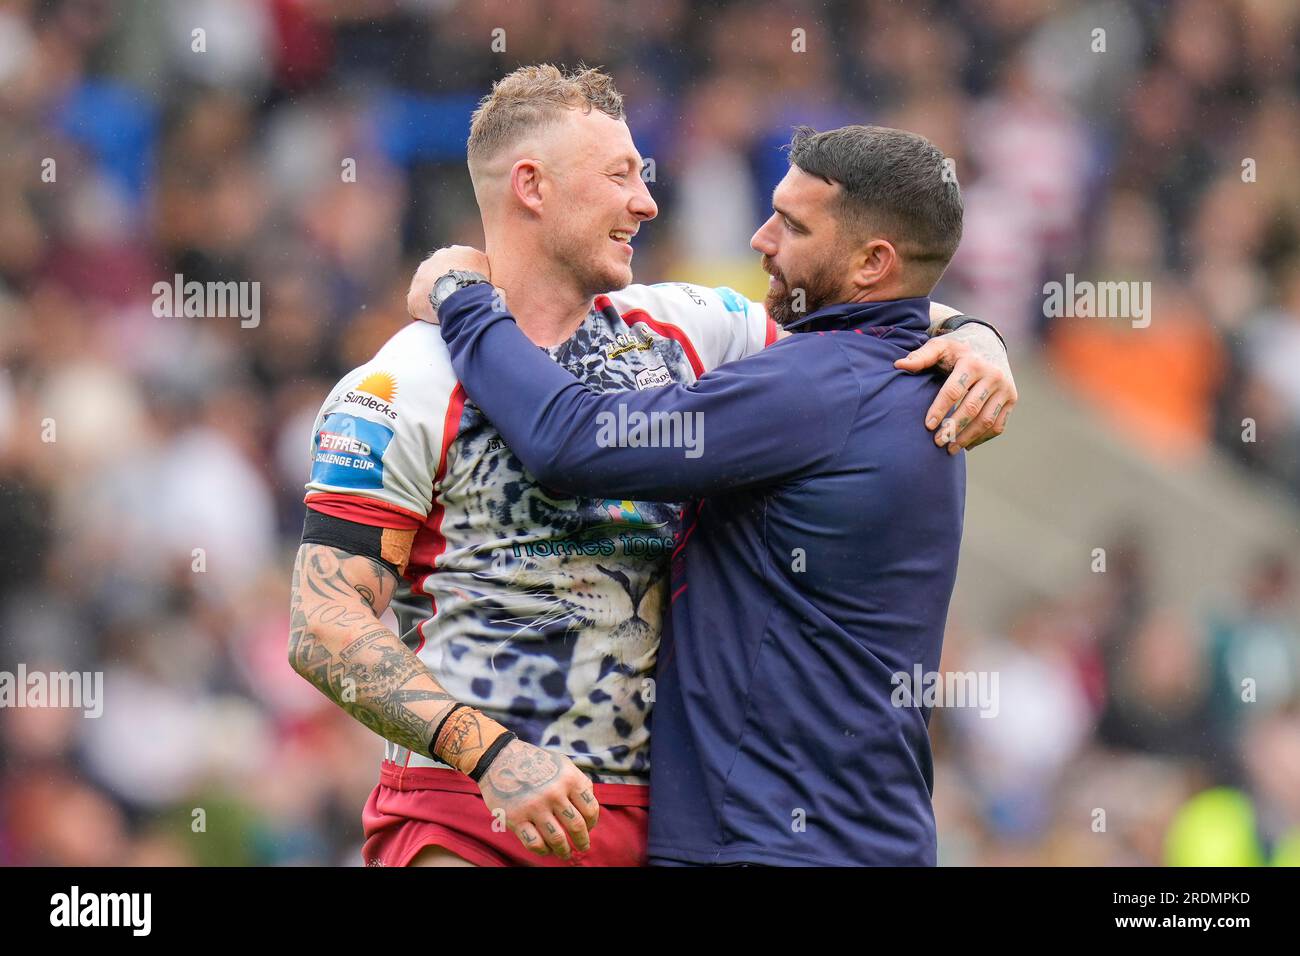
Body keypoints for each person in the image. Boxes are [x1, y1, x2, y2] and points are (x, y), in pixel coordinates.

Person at [288, 64, 1015, 868]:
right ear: (531, 186)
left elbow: (872, 308)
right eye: (621, 176)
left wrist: (979, 337)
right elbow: (323, 628)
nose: (647, 201)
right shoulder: (404, 383)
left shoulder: (698, 330)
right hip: (474, 813)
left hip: (660, 825)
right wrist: (487, 753)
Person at [430, 123, 973, 865]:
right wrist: (980, 333)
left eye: (793, 224)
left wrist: (463, 300)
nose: (762, 238)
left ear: (872, 263)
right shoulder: (900, 377)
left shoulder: (818, 388)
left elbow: (573, 442)